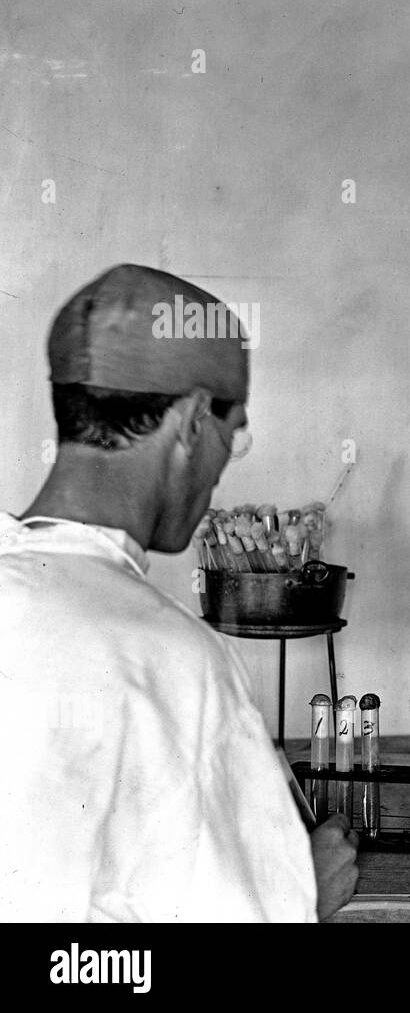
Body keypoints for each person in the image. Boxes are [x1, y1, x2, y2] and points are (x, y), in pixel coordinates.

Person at [0, 264, 358, 921]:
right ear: (194, 421)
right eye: (233, 431)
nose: (226, 460)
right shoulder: (173, 661)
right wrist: (303, 893)